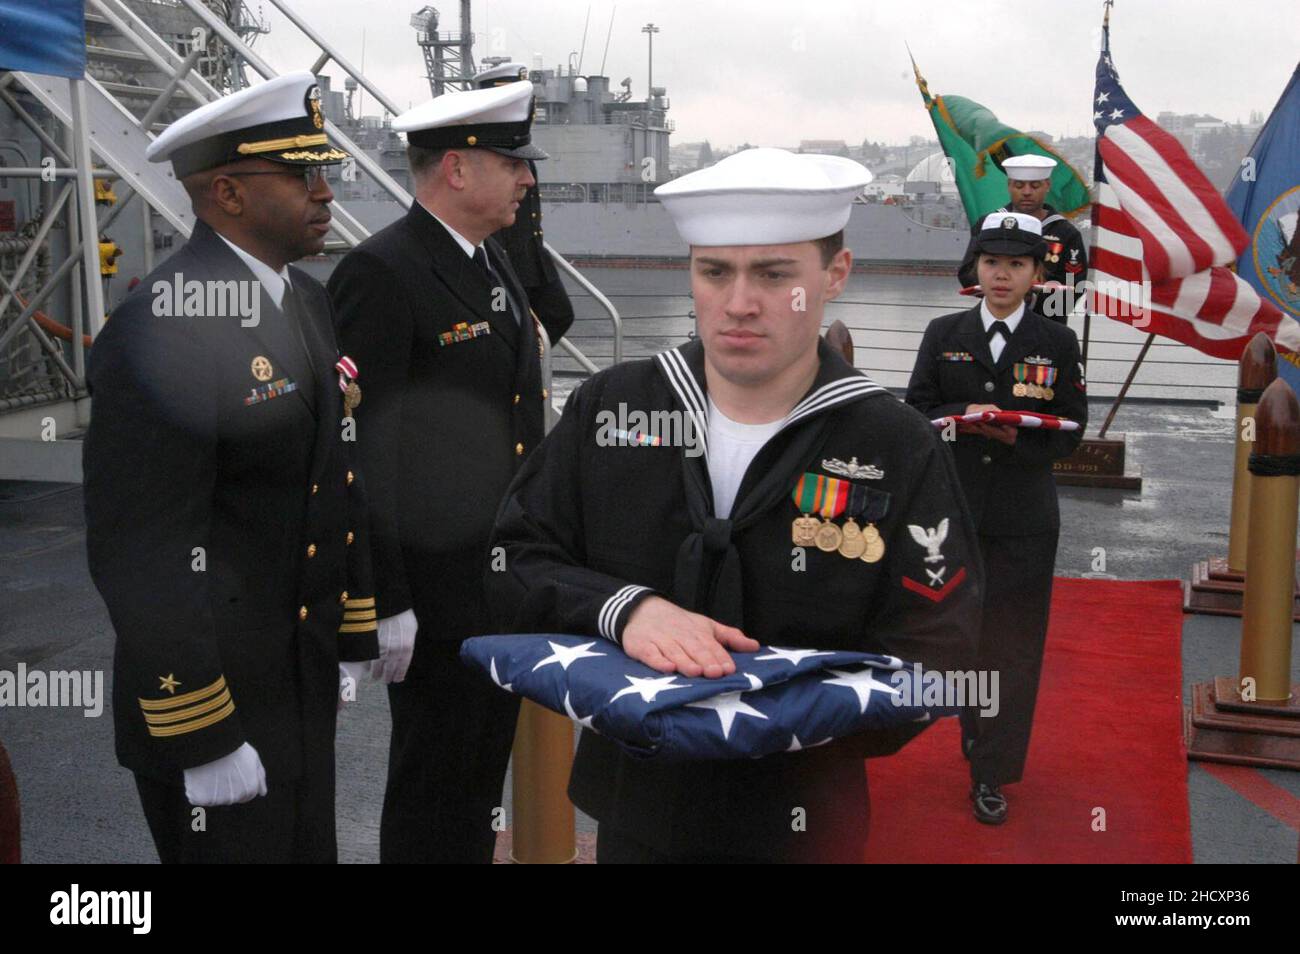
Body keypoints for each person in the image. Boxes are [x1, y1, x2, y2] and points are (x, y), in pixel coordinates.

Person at [487, 147, 981, 863]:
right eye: (715, 271)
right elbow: (513, 562)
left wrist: (787, 714)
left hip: (807, 815)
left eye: (775, 274)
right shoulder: (612, 410)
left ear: (834, 276)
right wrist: (625, 609)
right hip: (639, 812)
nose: (740, 302)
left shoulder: (894, 443)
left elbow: (944, 642)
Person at [83, 72, 379, 863]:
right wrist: (204, 734)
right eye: (301, 174)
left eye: (326, 171)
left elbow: (329, 484)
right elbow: (140, 553)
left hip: (298, 685)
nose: (325, 192)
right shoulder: (160, 334)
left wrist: (348, 629)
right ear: (228, 193)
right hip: (216, 705)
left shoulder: (307, 305)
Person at [327, 79, 550, 863]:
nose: (527, 178)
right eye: (512, 162)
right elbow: (362, 450)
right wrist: (385, 597)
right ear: (457, 168)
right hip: (432, 587)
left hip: (494, 579)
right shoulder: (382, 273)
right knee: (434, 783)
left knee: (475, 780)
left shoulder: (490, 260)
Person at [906, 211, 1087, 825]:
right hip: (954, 512)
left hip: (1022, 517)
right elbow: (918, 411)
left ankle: (992, 770)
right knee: (959, 635)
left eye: (1016, 264)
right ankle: (973, 719)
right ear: (975, 269)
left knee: (1014, 644)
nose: (1001, 274)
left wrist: (1017, 439)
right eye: (991, 262)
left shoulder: (1058, 344)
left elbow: (1070, 429)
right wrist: (966, 412)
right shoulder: (943, 331)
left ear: (1037, 274)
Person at [475, 61, 575, 344]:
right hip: (501, 260)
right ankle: (519, 371)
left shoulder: (520, 146)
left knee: (557, 314)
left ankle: (525, 364)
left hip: (531, 258)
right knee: (500, 323)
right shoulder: (485, 152)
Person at [956, 154, 1088, 321]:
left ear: (1047, 185)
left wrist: (1031, 298)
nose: (1026, 192)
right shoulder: (988, 225)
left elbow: (1074, 287)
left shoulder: (1064, 232)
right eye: (1019, 186)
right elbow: (967, 274)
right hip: (995, 318)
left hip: (1046, 324)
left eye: (1034, 186)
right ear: (1009, 185)